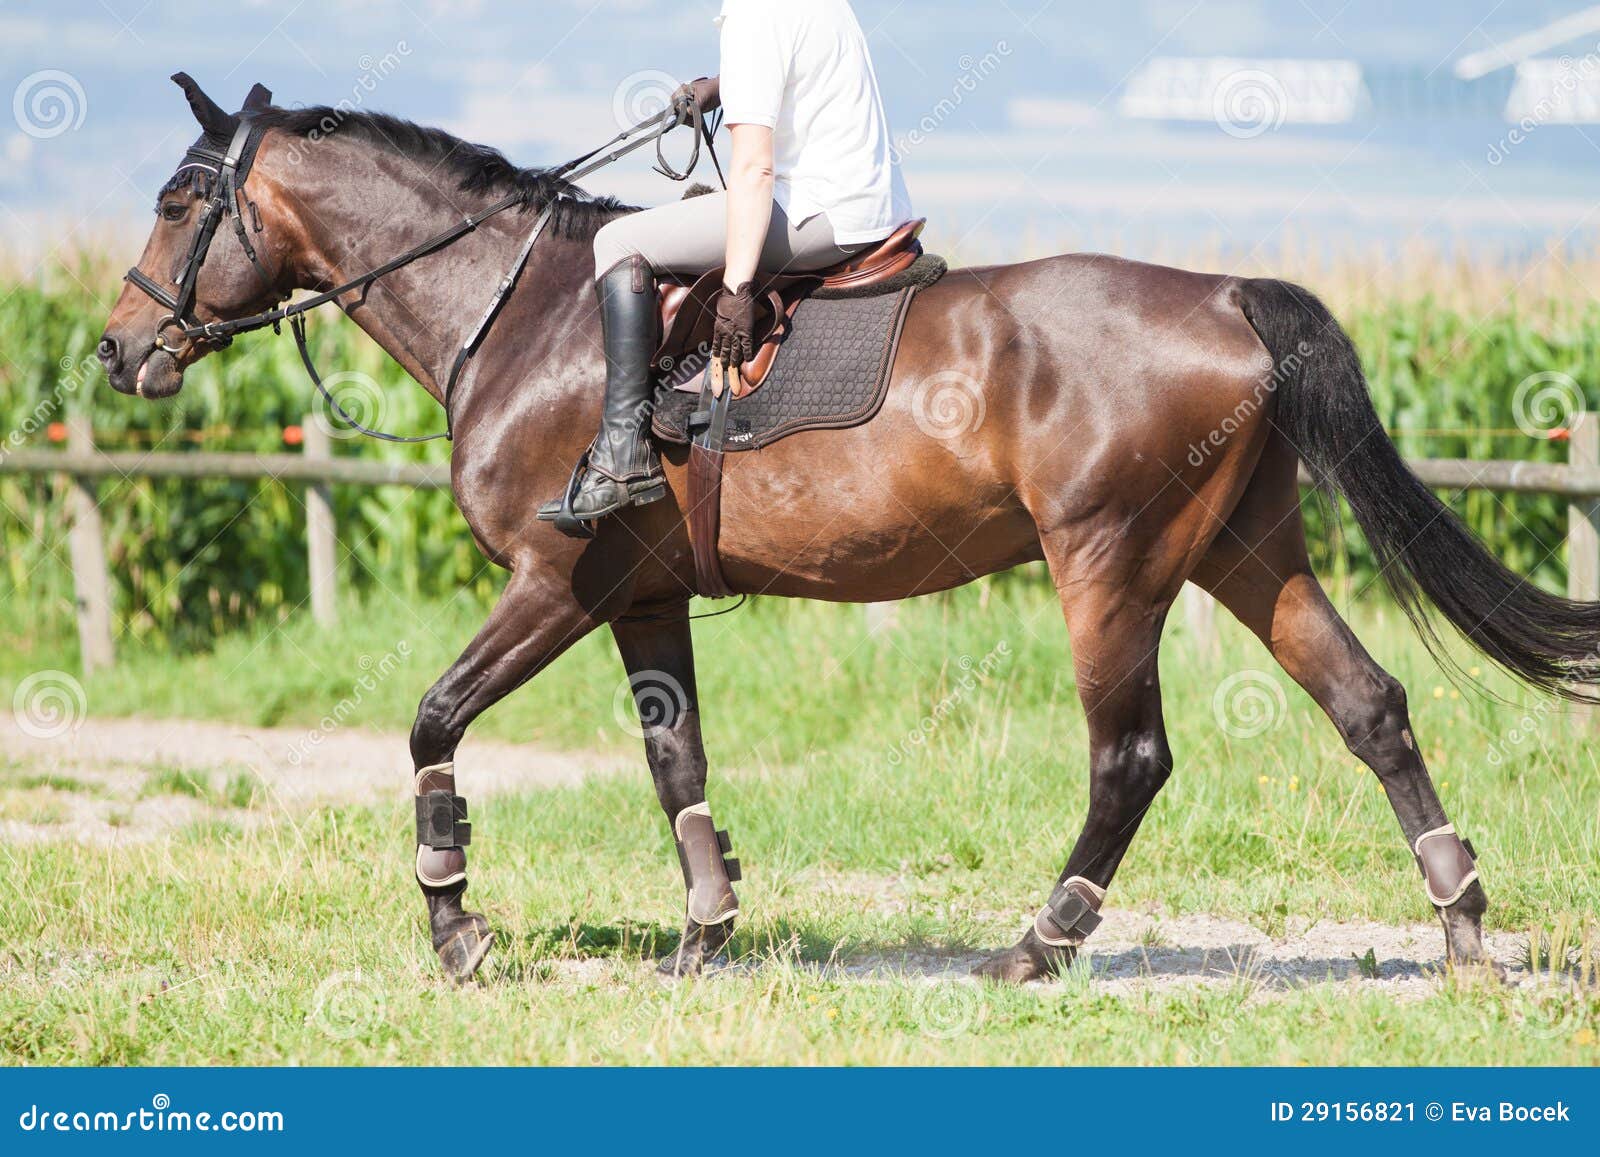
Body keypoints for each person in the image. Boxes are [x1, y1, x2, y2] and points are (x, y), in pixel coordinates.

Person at [540, 0, 914, 531]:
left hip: (817, 211)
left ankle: (623, 455)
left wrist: (737, 290)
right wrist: (720, 87)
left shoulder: (752, 13)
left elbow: (755, 168)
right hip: (871, 204)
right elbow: (791, 63)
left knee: (618, 240)